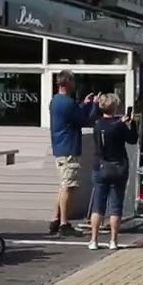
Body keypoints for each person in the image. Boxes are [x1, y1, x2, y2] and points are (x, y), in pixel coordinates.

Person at [48, 70, 100, 237]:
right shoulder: (67, 103)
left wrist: (85, 105)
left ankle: (55, 219)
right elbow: (85, 121)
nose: (75, 84)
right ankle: (64, 223)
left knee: (63, 184)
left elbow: (75, 115)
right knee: (68, 186)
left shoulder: (55, 101)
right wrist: (95, 105)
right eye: (74, 81)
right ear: (68, 82)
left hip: (60, 148)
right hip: (69, 148)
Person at [87, 93, 138, 250]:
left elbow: (101, 126)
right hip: (118, 166)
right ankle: (113, 241)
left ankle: (94, 240)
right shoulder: (119, 124)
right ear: (115, 107)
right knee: (116, 205)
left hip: (101, 166)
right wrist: (132, 123)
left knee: (98, 205)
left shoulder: (97, 124)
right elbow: (132, 139)